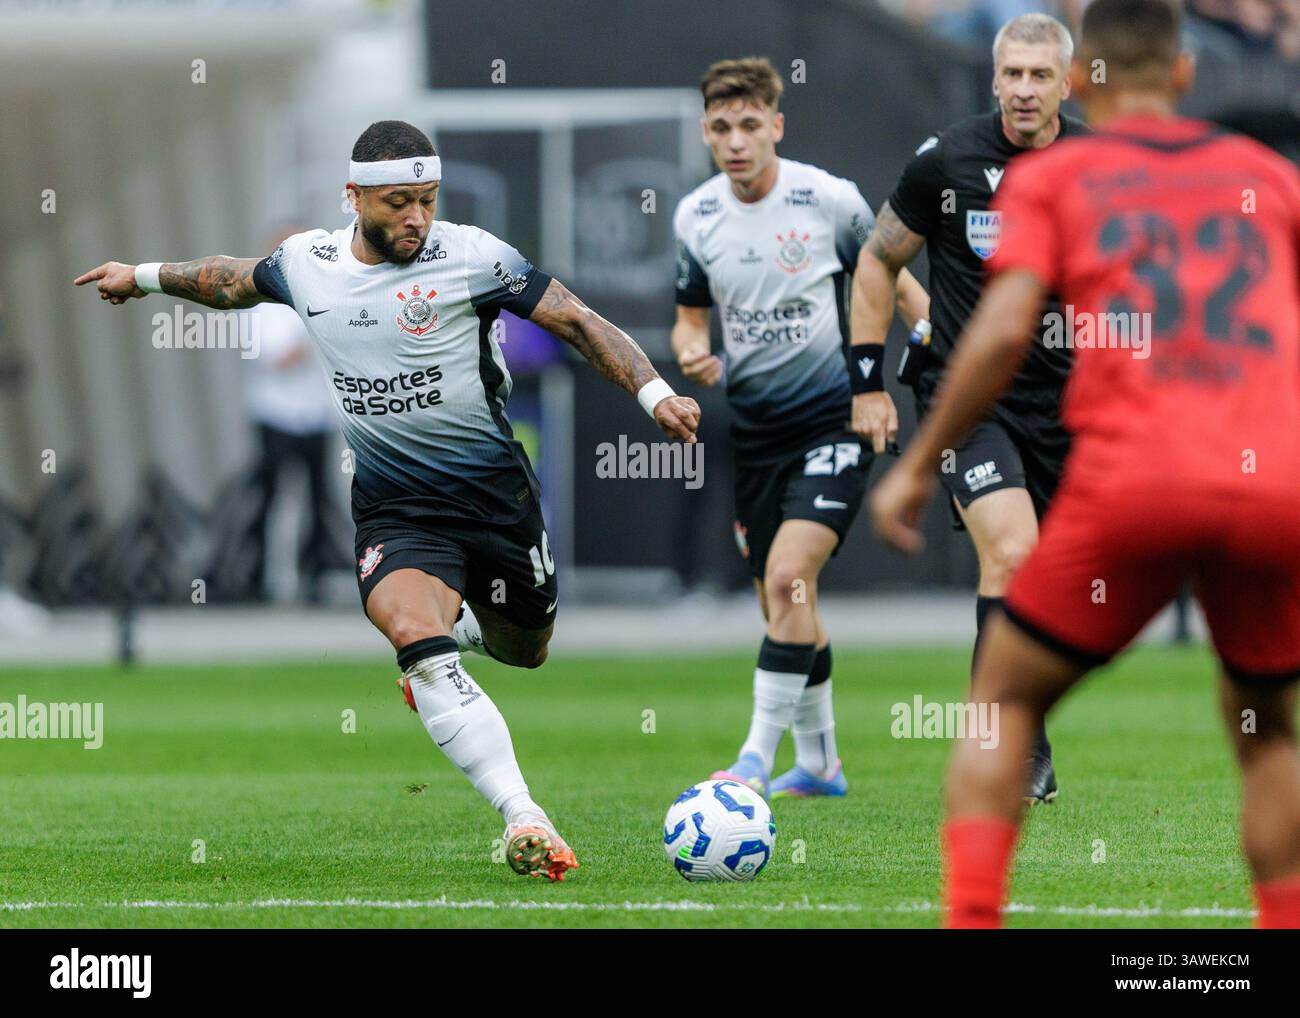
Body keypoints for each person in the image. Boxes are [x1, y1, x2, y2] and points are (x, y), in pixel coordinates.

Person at [74, 120, 701, 882]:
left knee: (526, 650)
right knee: (412, 633)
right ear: (354, 197)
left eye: (427, 200)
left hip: (494, 499)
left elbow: (575, 318)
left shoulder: (474, 257)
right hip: (395, 508)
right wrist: (139, 275)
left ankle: (451, 638)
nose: (416, 217)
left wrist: (654, 393)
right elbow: (228, 279)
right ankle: (523, 814)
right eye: (399, 201)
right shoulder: (309, 265)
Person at [871, 0, 1300, 928]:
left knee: (1002, 700)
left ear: (1083, 80)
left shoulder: (1061, 177)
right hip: (1269, 483)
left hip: (1137, 475)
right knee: (1268, 737)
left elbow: (1000, 326)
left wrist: (916, 462)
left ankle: (975, 915)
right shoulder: (1267, 178)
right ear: (1186, 73)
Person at [672, 57, 929, 798]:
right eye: (722, 128)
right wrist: (692, 355)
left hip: (836, 421)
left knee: (789, 580)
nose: (736, 141)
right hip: (754, 437)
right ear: (706, 133)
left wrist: (939, 337)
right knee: (785, 601)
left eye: (751, 125)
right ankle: (819, 764)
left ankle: (753, 758)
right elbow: (689, 325)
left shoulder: (828, 200)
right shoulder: (696, 216)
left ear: (777, 125)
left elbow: (893, 277)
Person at [849, 12, 1086, 802]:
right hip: (965, 400)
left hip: (1069, 408)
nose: (1022, 89)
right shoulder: (947, 159)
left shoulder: (1097, 164)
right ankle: (1009, 745)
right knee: (1011, 553)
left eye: (1038, 76)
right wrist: (868, 381)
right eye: (1010, 74)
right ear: (993, 78)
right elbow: (879, 260)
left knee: (1052, 584)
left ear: (1065, 82)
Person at [245, 226, 346, 602]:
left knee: (320, 499)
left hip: (315, 415)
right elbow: (279, 359)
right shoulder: (261, 305)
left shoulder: (324, 297)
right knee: (270, 496)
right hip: (277, 416)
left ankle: (317, 576)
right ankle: (258, 578)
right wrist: (315, 327)